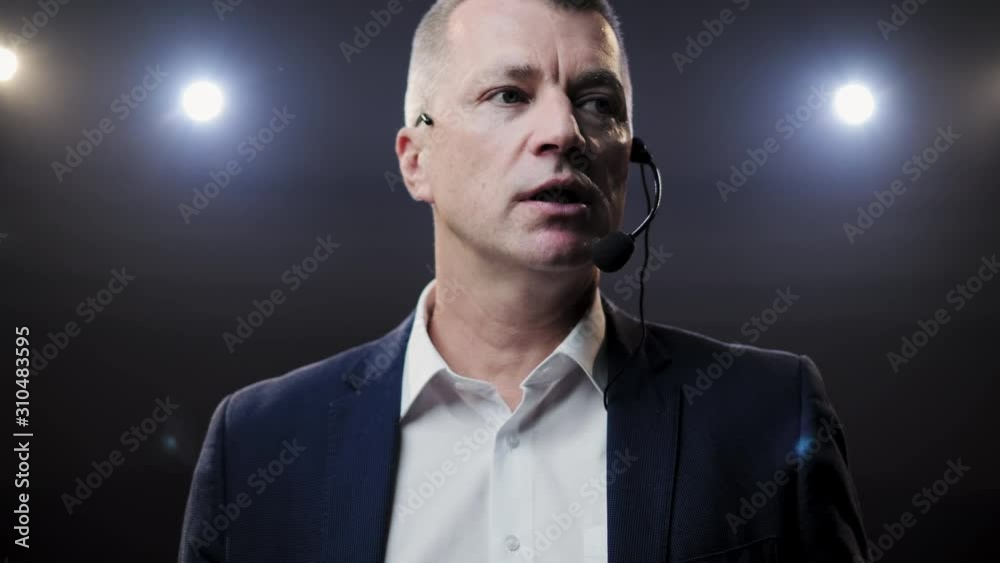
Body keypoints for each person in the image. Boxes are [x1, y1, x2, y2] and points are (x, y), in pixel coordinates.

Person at [180, 0, 869, 561]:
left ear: (628, 159)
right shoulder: (260, 444)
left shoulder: (769, 412)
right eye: (509, 94)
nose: (565, 131)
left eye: (597, 102)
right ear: (416, 158)